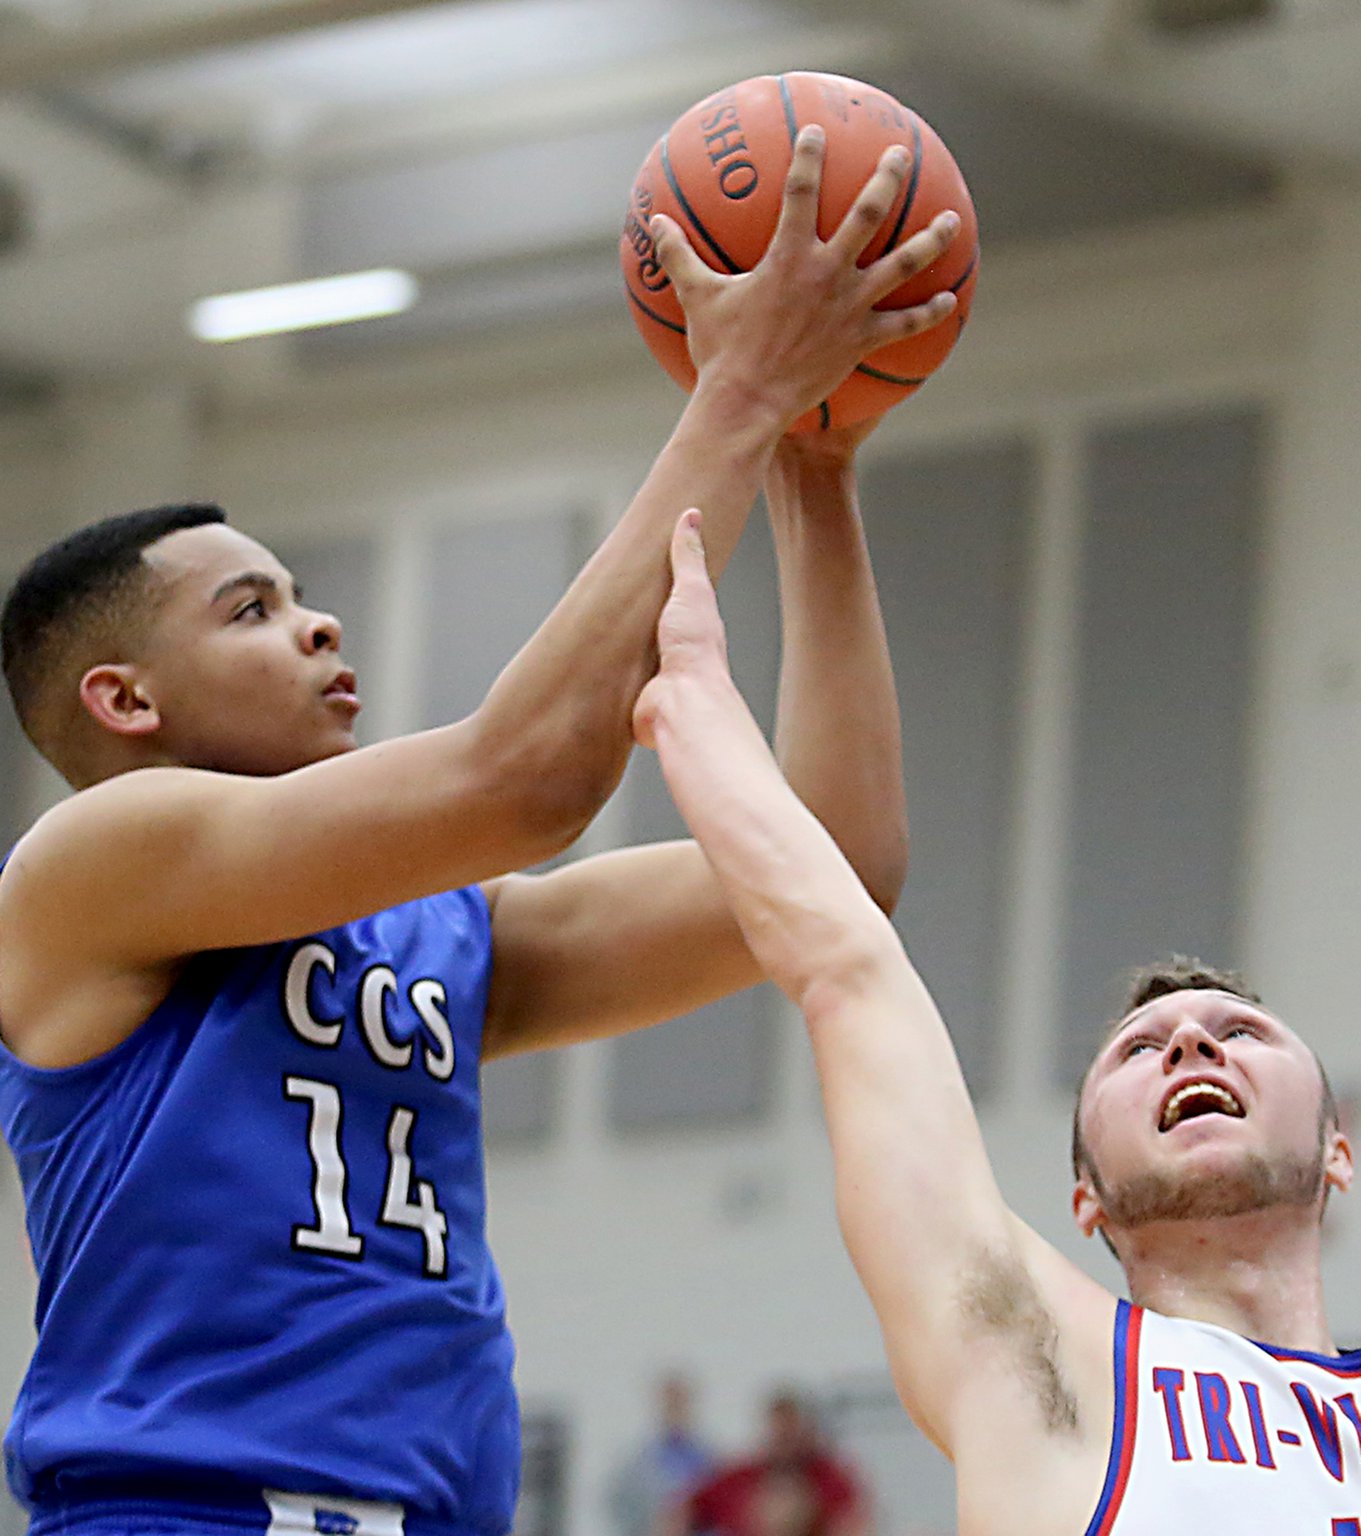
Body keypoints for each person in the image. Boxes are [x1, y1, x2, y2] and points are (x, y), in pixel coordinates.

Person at [0, 132, 960, 1536]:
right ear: (122, 699)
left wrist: (815, 464)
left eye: (300, 592)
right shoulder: (86, 869)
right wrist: (740, 391)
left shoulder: (444, 936)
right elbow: (522, 783)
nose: (317, 622)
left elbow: (834, 876)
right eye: (250, 611)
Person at [636, 512, 1361, 1535]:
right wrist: (697, 714)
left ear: (1337, 1152)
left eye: (1241, 1035)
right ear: (1084, 1200)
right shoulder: (1039, 1358)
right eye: (1138, 1053)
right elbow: (849, 971)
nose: (1190, 1045)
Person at [668, 1390, 866, 1536]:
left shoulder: (832, 1478)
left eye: (790, 1433)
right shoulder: (737, 1476)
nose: (784, 1440)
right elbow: (681, 1511)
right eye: (779, 1433)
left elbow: (854, 1519)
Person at [609, 1373, 714, 1536]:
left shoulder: (710, 1458)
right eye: (670, 1403)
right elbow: (618, 1509)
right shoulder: (636, 1463)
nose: (675, 1408)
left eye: (680, 1402)